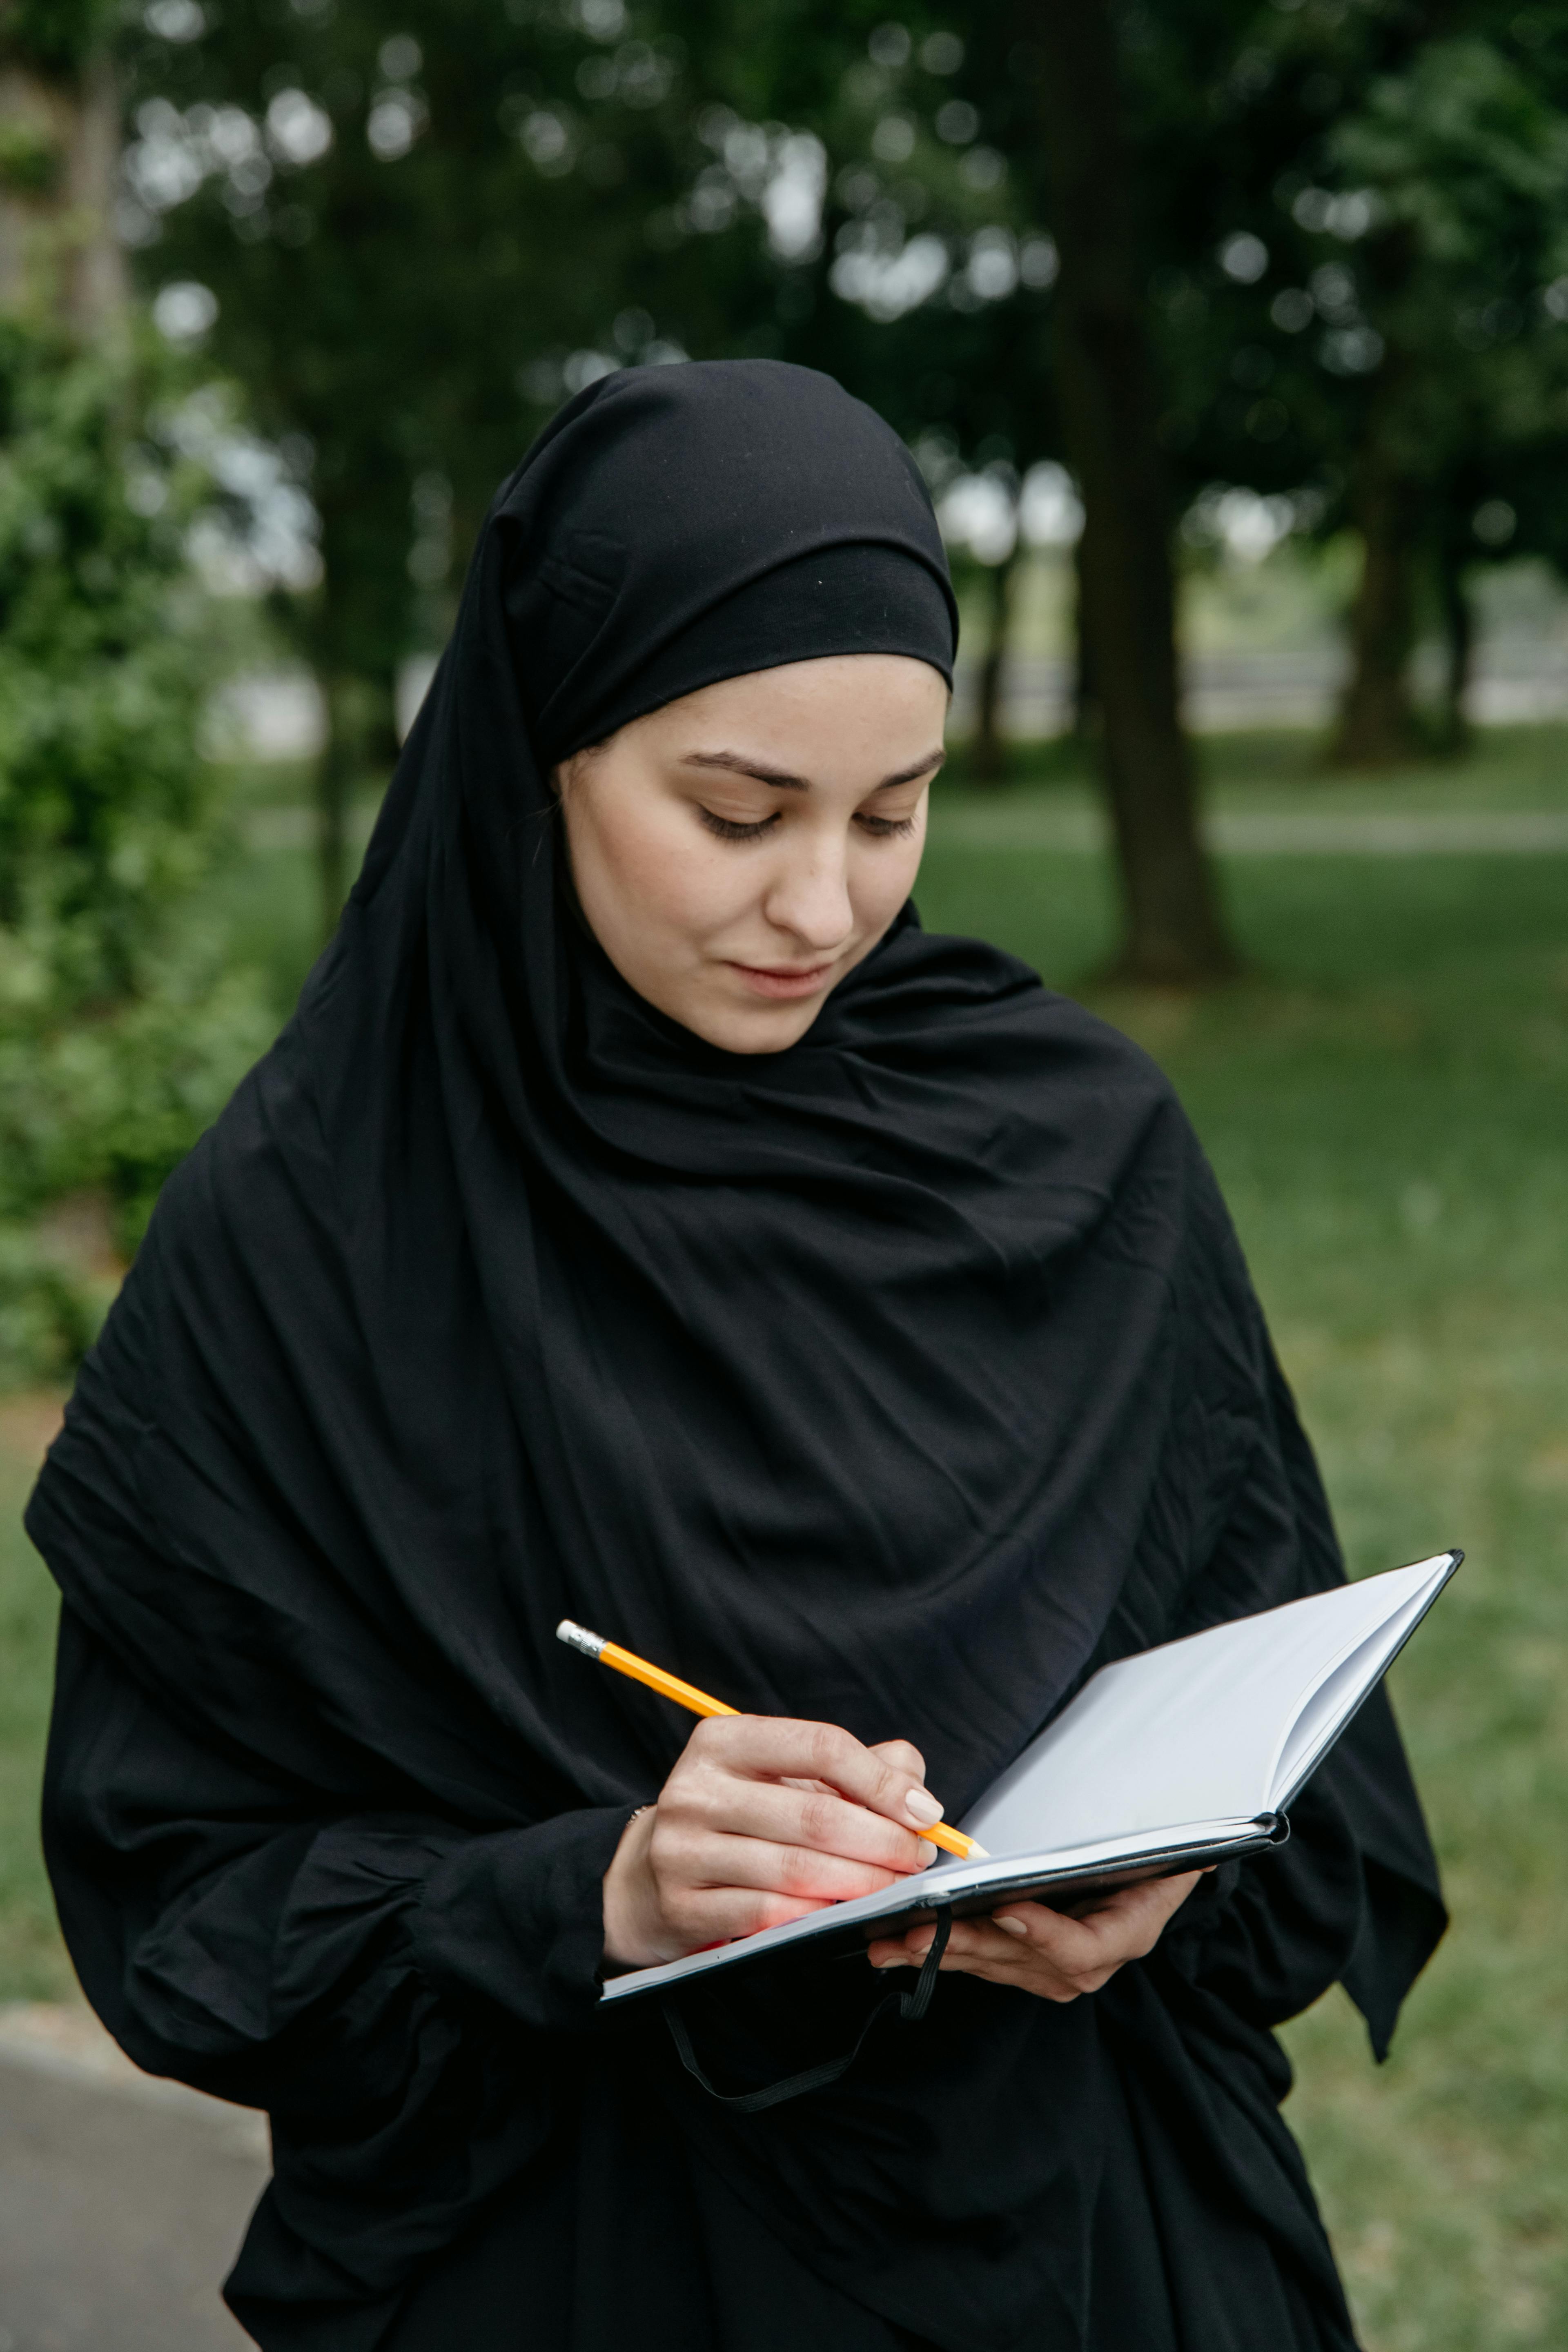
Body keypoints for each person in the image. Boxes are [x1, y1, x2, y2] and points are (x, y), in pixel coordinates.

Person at [28, 361, 1444, 2352]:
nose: (822, 903)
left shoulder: (1075, 1150)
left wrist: (1177, 1888)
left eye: (896, 812)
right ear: (548, 747)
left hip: (1095, 2244)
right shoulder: (310, 1237)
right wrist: (604, 1894)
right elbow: (186, 1912)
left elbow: (1321, 1774)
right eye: (737, 813)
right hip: (587, 2267)